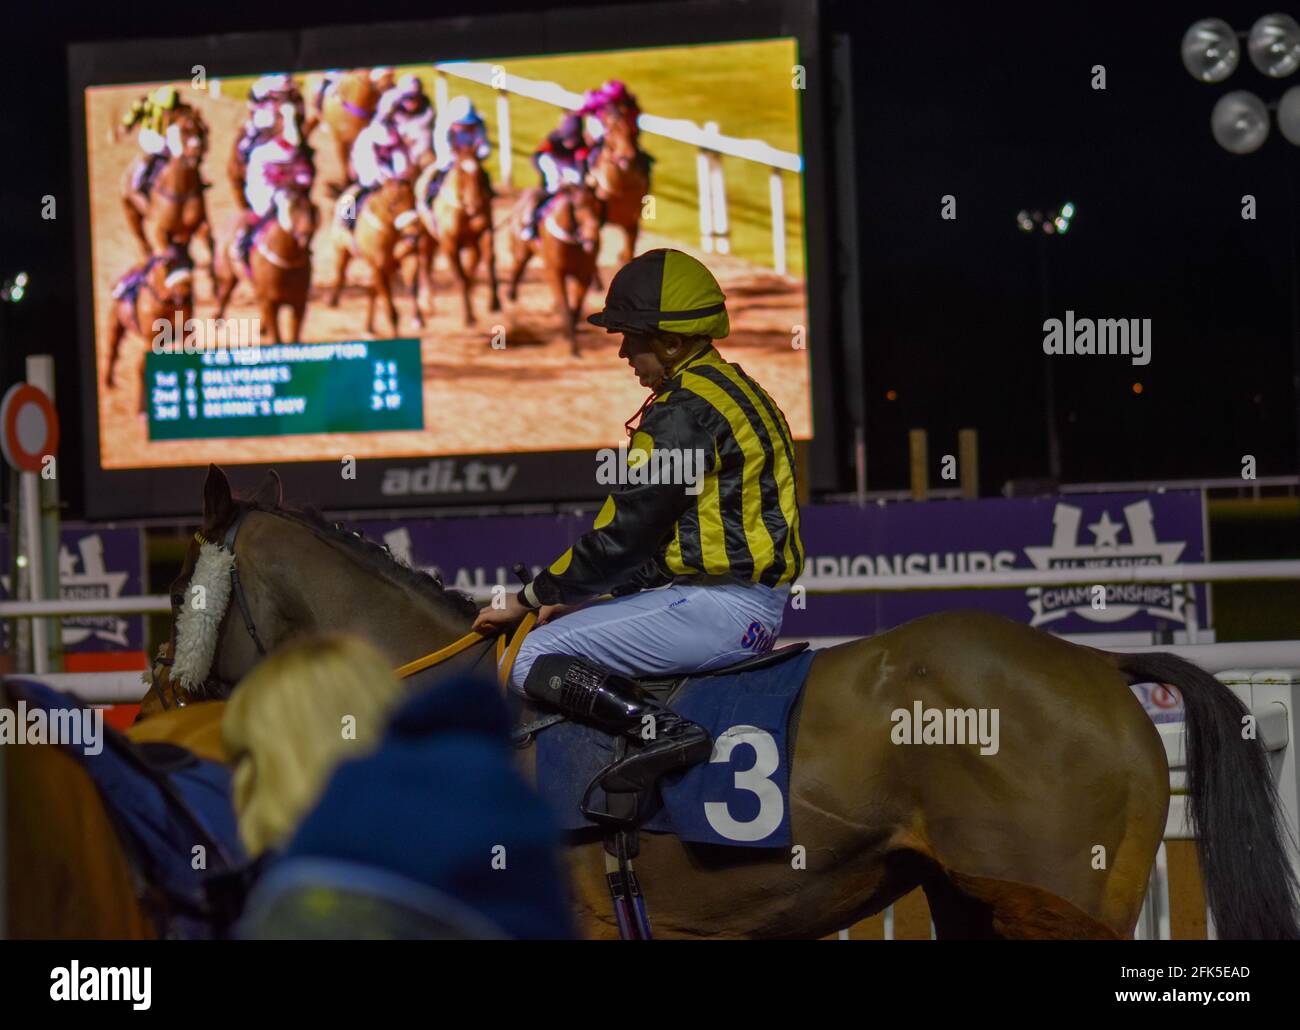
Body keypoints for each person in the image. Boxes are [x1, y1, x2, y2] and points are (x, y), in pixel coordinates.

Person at [472, 248, 804, 791]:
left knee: (532, 655)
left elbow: (624, 538)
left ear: (672, 343)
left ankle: (667, 730)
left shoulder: (680, 413)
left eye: (631, 337)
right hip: (742, 604)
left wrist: (528, 599)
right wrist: (571, 596)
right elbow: (668, 542)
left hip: (716, 607)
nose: (624, 351)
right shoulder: (738, 389)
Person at [234, 103, 314, 267]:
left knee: (309, 215)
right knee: (260, 214)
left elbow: (304, 173)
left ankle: (304, 247)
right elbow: (257, 177)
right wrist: (275, 189)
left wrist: (297, 182)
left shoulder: (296, 152)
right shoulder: (262, 152)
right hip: (266, 193)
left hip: (290, 194)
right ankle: (243, 245)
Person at [338, 93, 413, 231]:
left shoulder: (396, 134)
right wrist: (380, 178)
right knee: (351, 197)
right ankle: (347, 225)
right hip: (373, 178)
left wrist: (399, 174)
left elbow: (400, 154)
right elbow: (366, 159)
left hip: (393, 177)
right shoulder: (368, 136)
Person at [519, 112, 590, 241]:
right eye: (567, 138)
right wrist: (554, 176)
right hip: (552, 168)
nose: (570, 143)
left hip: (571, 171)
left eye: (573, 139)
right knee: (535, 196)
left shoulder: (582, 144)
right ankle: (530, 225)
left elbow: (582, 165)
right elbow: (537, 157)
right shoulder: (553, 139)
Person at [380, 73, 435, 166]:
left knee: (428, 160)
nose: (411, 102)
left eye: (415, 98)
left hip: (419, 148)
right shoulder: (392, 112)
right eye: (407, 98)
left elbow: (425, 136)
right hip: (396, 150)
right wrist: (400, 140)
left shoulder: (427, 113)